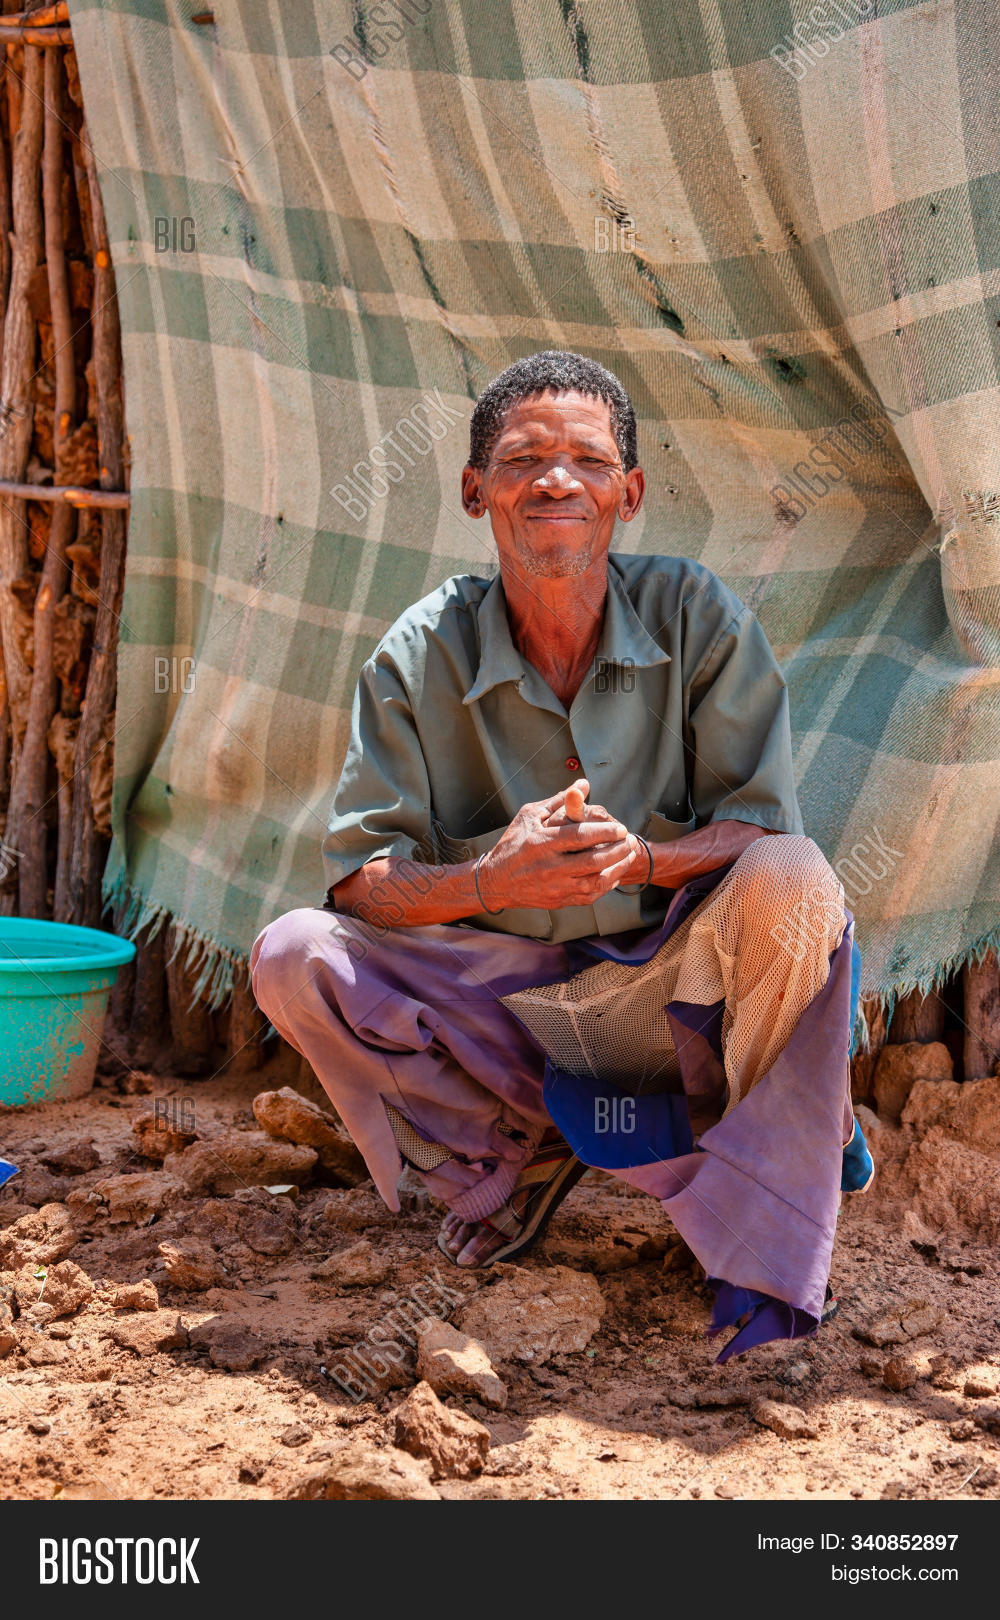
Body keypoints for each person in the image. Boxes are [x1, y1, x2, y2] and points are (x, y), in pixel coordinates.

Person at [250, 350, 871, 1361]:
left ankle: (754, 1200)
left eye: (586, 458)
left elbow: (760, 829)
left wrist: (644, 864)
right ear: (474, 491)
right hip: (509, 1010)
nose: (554, 479)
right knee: (294, 955)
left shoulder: (696, 616)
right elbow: (362, 879)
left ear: (627, 494)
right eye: (523, 458)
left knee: (795, 881)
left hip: (670, 1002)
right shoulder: (418, 653)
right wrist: (490, 880)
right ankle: (516, 1155)